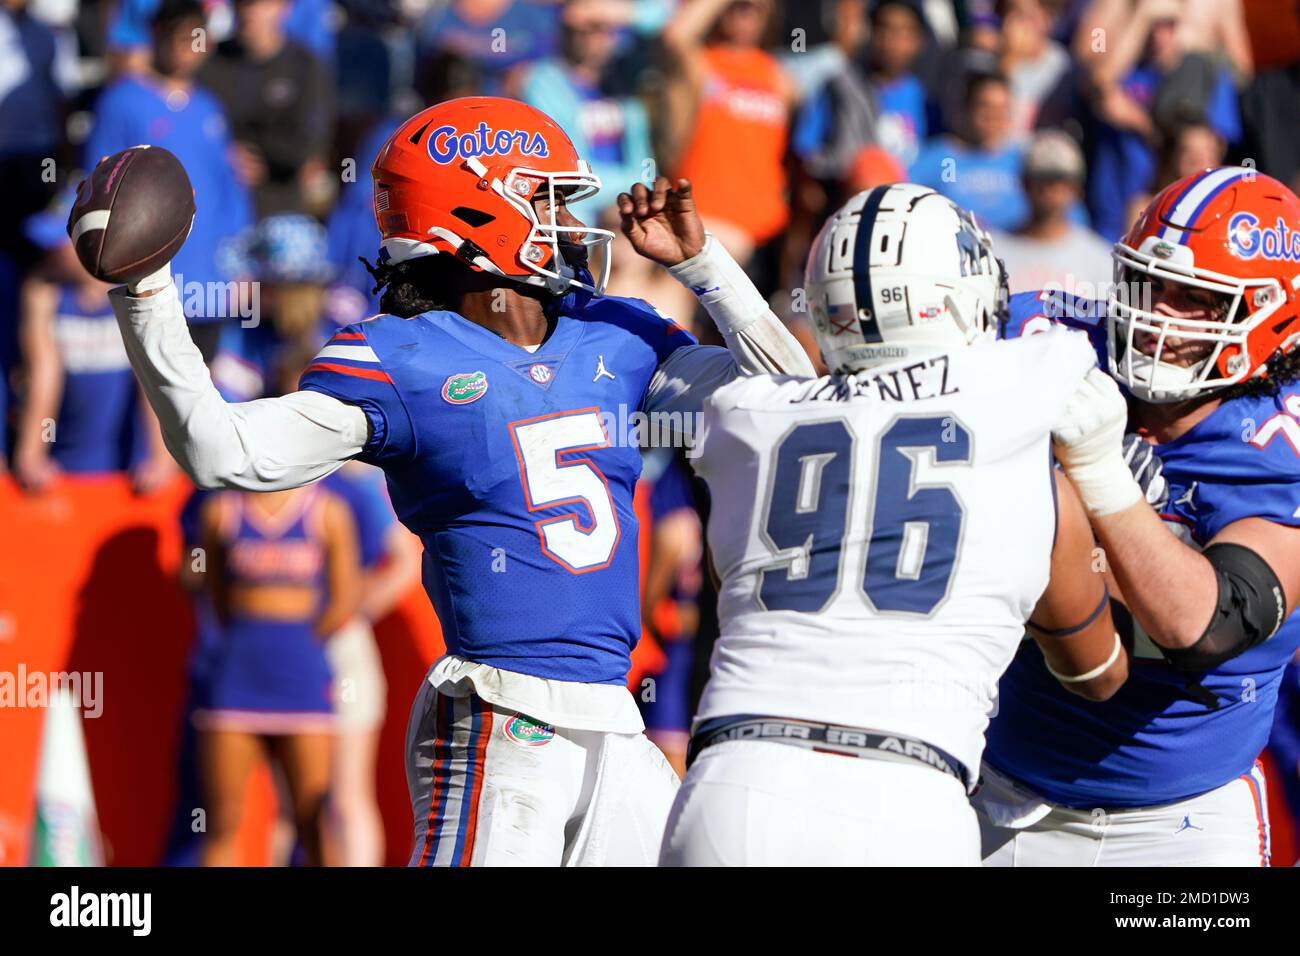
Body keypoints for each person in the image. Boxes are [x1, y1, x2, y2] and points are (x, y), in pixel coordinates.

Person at [106, 96, 813, 866]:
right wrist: (146, 295)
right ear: (477, 211)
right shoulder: (402, 361)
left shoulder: (613, 331)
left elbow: (791, 400)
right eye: (542, 196)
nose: (566, 219)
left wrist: (705, 268)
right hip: (501, 718)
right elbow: (221, 450)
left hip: (618, 728)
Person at [660, 184, 1129, 866]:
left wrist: (708, 271)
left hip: (737, 779)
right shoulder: (1035, 380)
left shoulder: (746, 417)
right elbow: (1098, 675)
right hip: (906, 793)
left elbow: (808, 390)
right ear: (962, 295)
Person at [978, 167, 1300, 866]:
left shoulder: (1279, 442)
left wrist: (1099, 476)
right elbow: (853, 392)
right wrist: (716, 282)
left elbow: (1203, 625)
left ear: (1271, 313)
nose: (1158, 315)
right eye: (1147, 285)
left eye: (1194, 299)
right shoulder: (1053, 342)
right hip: (1005, 799)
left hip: (1183, 825)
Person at [188, 463, 360, 866]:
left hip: (302, 681)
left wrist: (301, 642)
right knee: (222, 822)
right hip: (235, 681)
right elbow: (215, 598)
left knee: (314, 821)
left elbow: (344, 598)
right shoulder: (220, 510)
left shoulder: (328, 511)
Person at [85, 0, 254, 359]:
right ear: (155, 36)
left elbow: (230, 188)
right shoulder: (121, 101)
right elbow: (96, 185)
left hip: (209, 280)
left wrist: (241, 263)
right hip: (148, 275)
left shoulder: (210, 106)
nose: (188, 48)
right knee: (153, 388)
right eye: (179, 37)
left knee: (202, 386)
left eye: (197, 37)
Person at [12, 198, 174, 494]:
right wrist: (31, 454)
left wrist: (161, 457)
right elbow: (44, 374)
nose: (47, 252)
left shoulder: (134, 290)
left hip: (129, 472)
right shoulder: (43, 291)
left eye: (57, 243)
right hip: (62, 470)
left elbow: (149, 377)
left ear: (93, 245)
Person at [198, 0, 334, 216]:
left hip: (279, 205)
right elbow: (193, 125)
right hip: (220, 204)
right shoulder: (210, 64)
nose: (249, 12)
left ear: (283, 8)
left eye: (259, 4)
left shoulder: (305, 66)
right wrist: (223, 154)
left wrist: (256, 153)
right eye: (242, 4)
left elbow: (308, 141)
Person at [991, 130, 1111, 294]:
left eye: (1061, 180)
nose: (1050, 190)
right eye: (1041, 179)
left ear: (1077, 189)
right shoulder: (992, 252)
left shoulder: (1100, 261)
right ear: (1025, 184)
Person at [910, 72, 1028, 232]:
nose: (993, 116)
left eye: (1002, 108)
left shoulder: (1021, 159)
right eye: (985, 106)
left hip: (1017, 249)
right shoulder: (944, 159)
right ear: (967, 108)